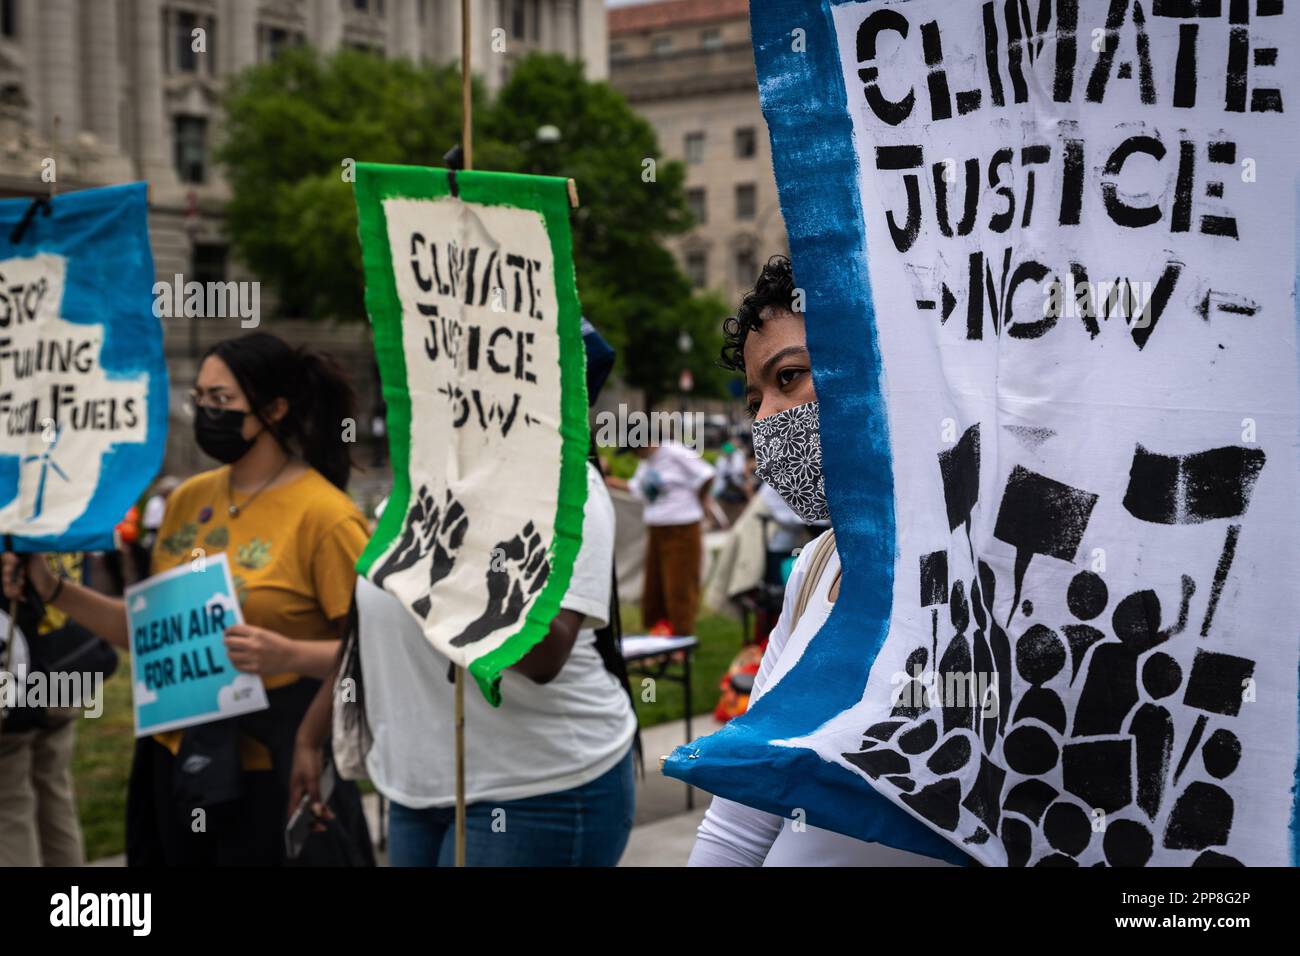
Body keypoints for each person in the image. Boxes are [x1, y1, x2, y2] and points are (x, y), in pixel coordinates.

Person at [2, 332, 373, 866]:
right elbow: (150, 633)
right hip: (178, 759)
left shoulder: (326, 515)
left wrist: (287, 655)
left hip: (273, 766)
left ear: (274, 409)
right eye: (198, 399)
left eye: (221, 401)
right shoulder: (187, 499)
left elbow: (370, 653)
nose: (205, 412)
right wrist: (53, 587)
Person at [289, 321, 638, 867]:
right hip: (415, 790)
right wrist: (311, 736)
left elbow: (543, 655)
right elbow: (378, 626)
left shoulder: (568, 489)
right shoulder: (416, 485)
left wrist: (444, 553)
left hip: (533, 791)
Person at [688, 255, 947, 866]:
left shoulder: (997, 574)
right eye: (755, 399)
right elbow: (740, 823)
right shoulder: (816, 568)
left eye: (790, 378)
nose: (767, 420)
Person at [611, 438, 715, 636]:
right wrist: (608, 480)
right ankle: (658, 630)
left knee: (679, 583)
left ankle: (682, 634)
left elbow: (706, 474)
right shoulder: (646, 463)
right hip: (657, 528)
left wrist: (700, 501)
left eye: (634, 449)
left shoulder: (675, 452)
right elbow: (637, 488)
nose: (634, 454)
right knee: (655, 582)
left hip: (682, 527)